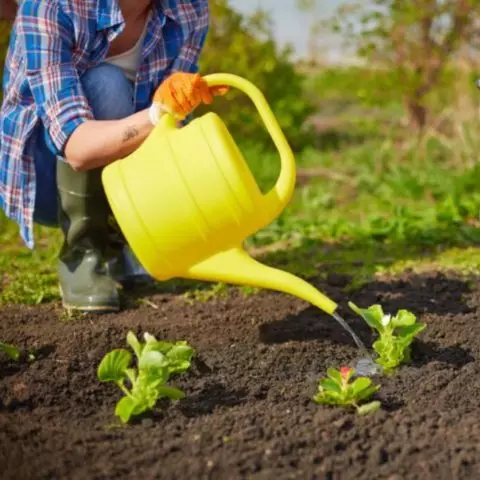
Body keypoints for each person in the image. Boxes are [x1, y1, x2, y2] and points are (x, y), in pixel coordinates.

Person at [0, 0, 227, 313]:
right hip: (41, 175)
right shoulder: (50, 7)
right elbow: (76, 146)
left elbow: (169, 126)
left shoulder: (189, 9)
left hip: (121, 169)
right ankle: (83, 253)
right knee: (106, 84)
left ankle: (126, 240)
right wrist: (157, 114)